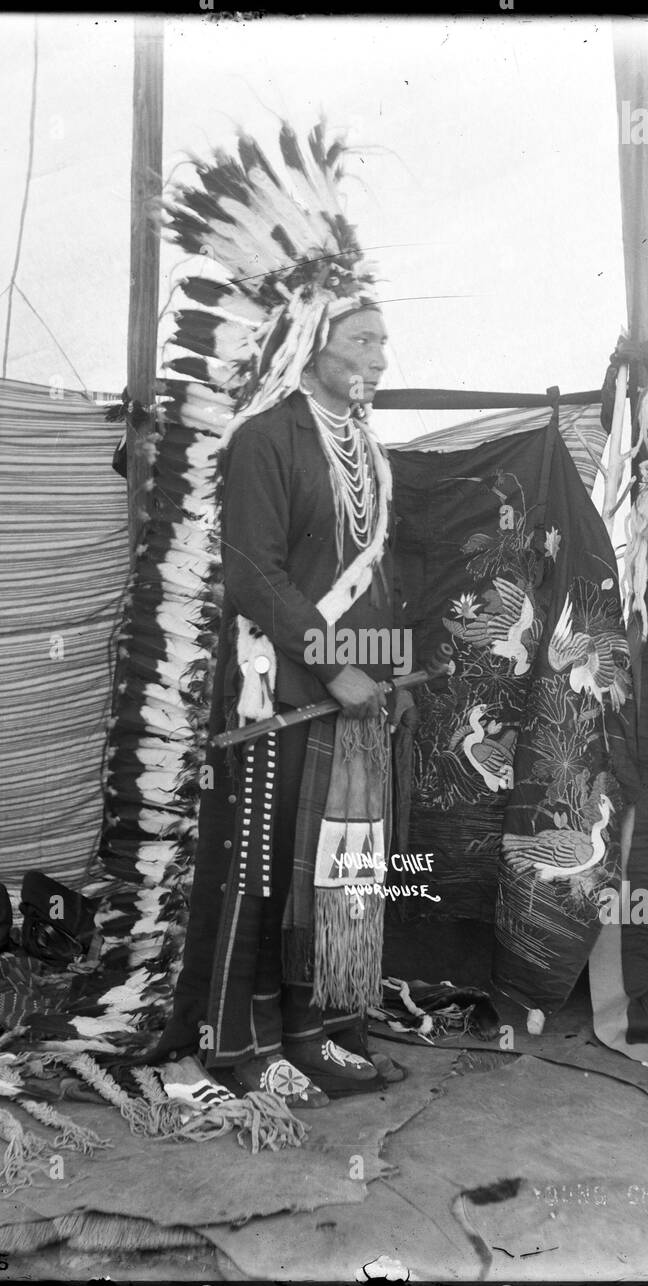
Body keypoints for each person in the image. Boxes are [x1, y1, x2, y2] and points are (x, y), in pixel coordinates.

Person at [148, 300, 422, 1107]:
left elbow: (380, 583)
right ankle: (244, 1045)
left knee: (339, 881)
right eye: (361, 340)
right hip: (281, 694)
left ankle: (317, 1035)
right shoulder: (267, 439)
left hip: (353, 698)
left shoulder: (370, 453)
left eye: (382, 341)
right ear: (312, 344)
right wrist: (337, 668)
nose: (377, 357)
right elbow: (252, 574)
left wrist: (389, 673)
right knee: (265, 877)